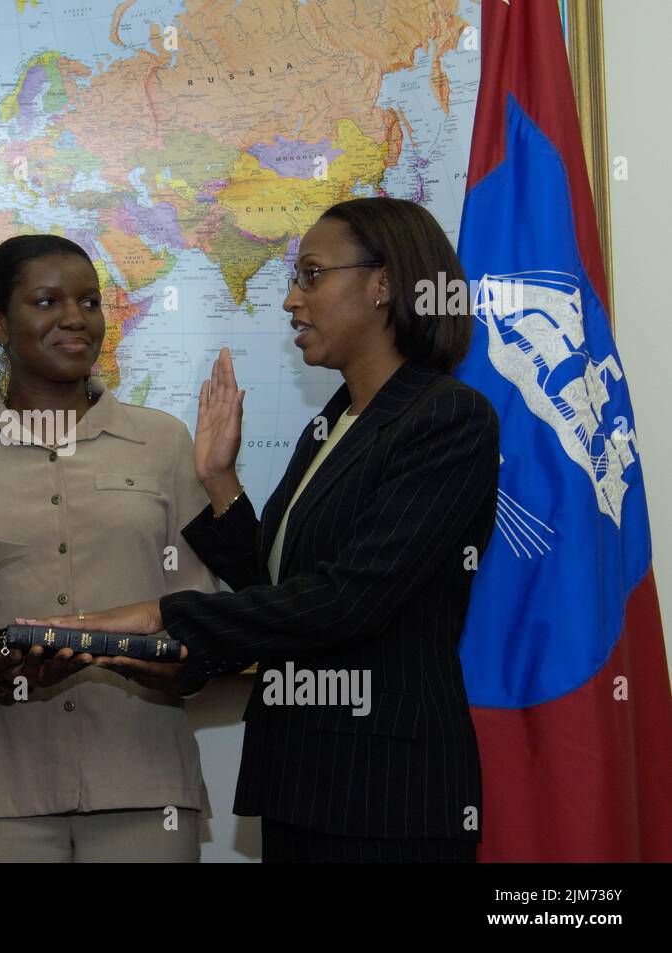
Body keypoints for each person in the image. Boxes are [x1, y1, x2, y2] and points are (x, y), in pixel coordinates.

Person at [41, 197, 499, 862]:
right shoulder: (335, 422)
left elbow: (352, 598)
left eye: (311, 275)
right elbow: (283, 590)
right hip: (302, 778)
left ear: (383, 284)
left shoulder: (448, 417)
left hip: (389, 793)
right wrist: (220, 481)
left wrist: (165, 614)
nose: (291, 299)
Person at [0, 234, 219, 862]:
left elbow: (200, 610)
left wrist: (178, 660)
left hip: (146, 786)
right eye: (47, 301)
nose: (76, 319)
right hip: (2, 798)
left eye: (90, 301)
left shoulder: (164, 446)